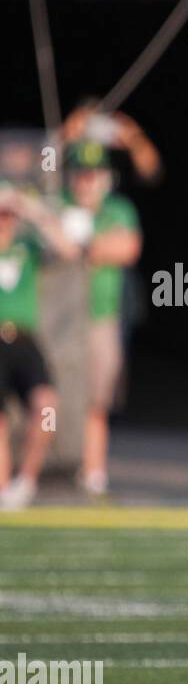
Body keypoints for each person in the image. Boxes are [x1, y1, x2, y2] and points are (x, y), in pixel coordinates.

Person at [62, 141, 142, 497]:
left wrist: (82, 243)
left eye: (92, 174)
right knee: (48, 398)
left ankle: (93, 471)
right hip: (58, 322)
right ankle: (45, 468)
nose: (85, 181)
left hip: (99, 318)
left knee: (97, 399)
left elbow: (126, 248)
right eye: (79, 173)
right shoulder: (59, 205)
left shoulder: (117, 209)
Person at [0, 184, 77, 510]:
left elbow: (69, 249)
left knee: (46, 407)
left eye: (8, 215)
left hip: (24, 339)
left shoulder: (26, 245)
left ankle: (25, 482)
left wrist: (32, 210)